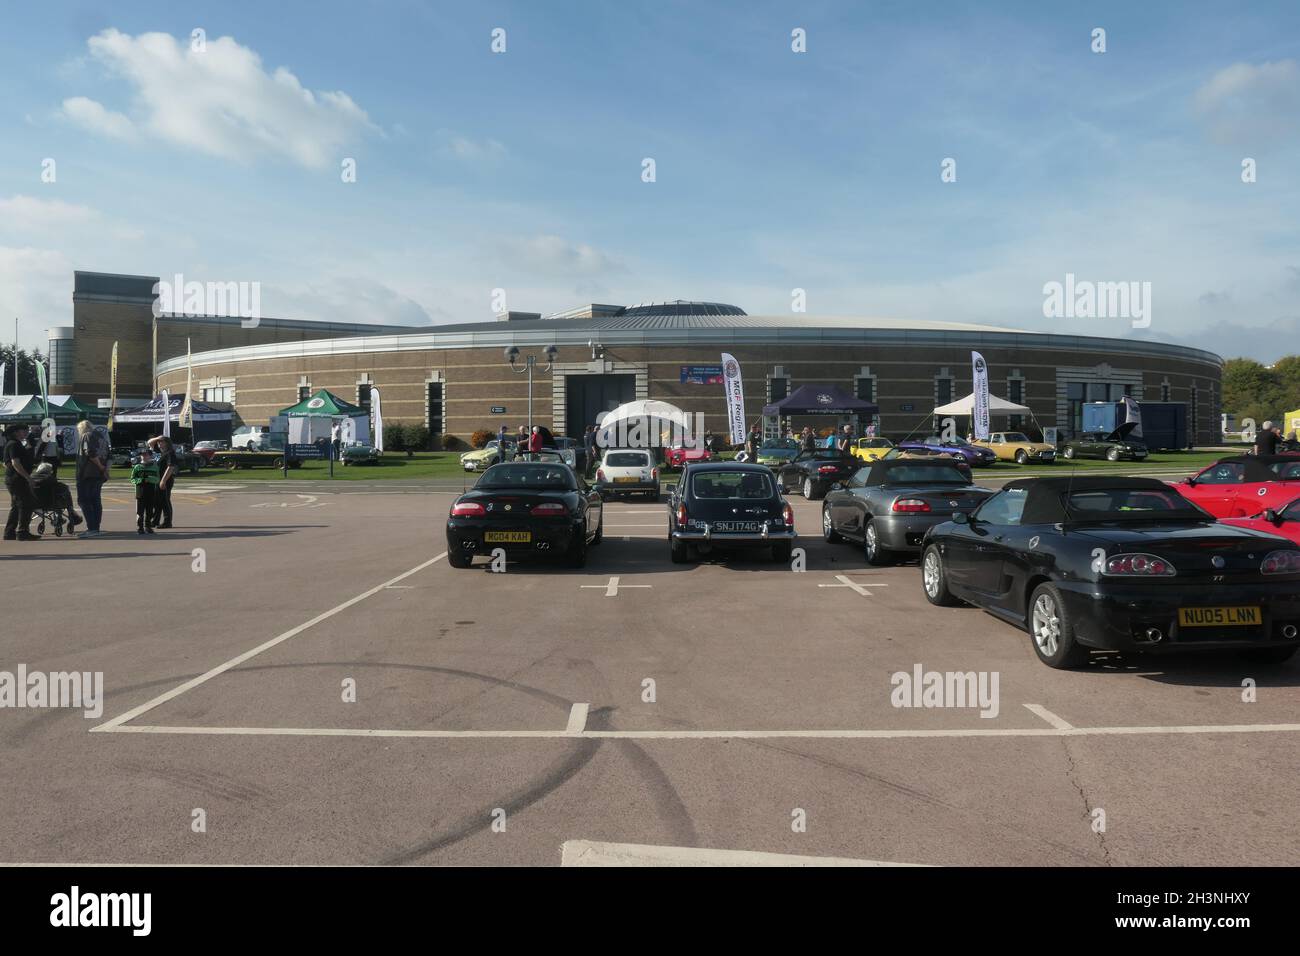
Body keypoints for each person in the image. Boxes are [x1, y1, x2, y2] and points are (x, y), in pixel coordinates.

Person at [3, 423, 39, 540]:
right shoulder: (14, 444)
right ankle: (23, 532)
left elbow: (6, 463)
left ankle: (9, 532)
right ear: (16, 432)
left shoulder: (15, 444)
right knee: (26, 504)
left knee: (16, 506)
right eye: (24, 430)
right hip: (17, 480)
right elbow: (15, 463)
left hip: (14, 479)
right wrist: (28, 478)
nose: (26, 432)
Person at [75, 420, 109, 537]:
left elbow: (90, 452)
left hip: (87, 473)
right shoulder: (102, 437)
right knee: (96, 501)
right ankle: (96, 527)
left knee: (84, 500)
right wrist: (105, 470)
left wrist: (100, 466)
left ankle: (92, 528)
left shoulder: (86, 436)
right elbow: (109, 455)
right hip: (99, 474)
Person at [30, 462, 82, 530]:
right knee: (64, 493)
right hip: (49, 504)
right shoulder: (50, 479)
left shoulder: (31, 478)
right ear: (49, 471)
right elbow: (62, 487)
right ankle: (72, 515)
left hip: (32, 504)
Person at [147, 435, 178, 528]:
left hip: (165, 480)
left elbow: (170, 467)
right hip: (157, 480)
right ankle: (155, 521)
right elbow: (149, 442)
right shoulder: (160, 452)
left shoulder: (170, 453)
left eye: (161, 442)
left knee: (165, 501)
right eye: (158, 442)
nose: (159, 443)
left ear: (167, 443)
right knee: (157, 501)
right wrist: (158, 438)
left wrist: (163, 481)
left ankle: (167, 522)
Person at [131, 448, 160, 535]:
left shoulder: (154, 467)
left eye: (146, 454)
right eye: (142, 455)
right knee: (140, 511)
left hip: (150, 491)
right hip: (140, 492)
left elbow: (157, 479)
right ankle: (140, 527)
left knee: (149, 510)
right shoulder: (137, 467)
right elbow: (132, 479)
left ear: (150, 456)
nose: (144, 456)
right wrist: (140, 480)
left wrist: (148, 479)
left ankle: (148, 526)